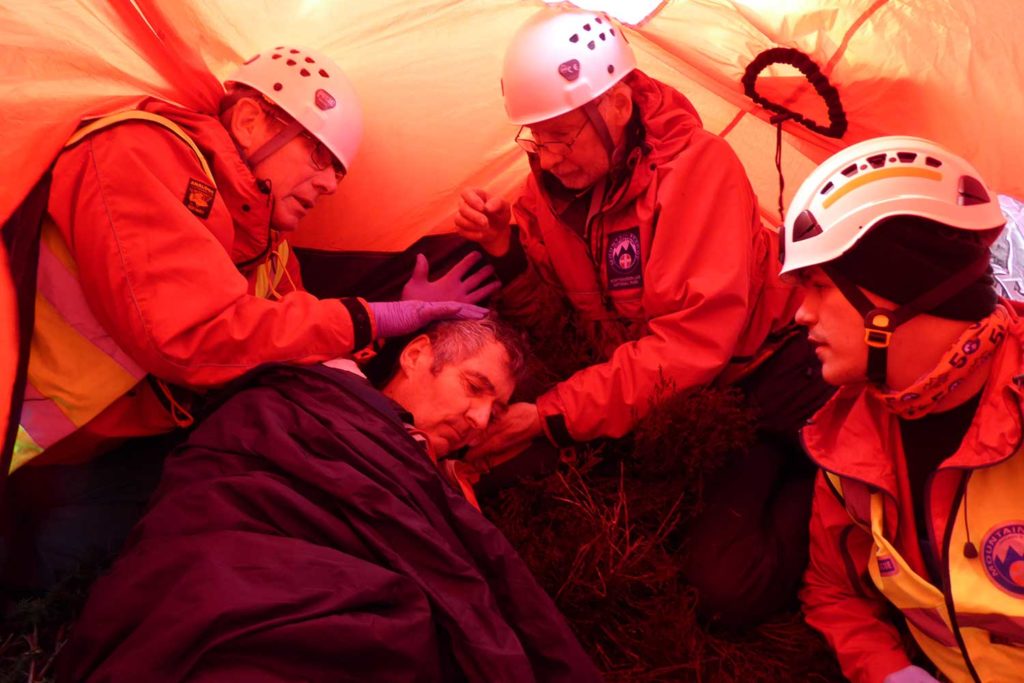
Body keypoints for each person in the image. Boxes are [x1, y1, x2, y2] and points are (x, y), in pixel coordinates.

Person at [1, 46, 491, 591]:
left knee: (71, 564)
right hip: (17, 411)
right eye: (320, 156)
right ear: (252, 122)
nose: (330, 185)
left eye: (339, 173)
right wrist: (371, 315)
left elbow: (302, 339)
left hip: (81, 450)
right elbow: (187, 336)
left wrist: (388, 344)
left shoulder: (270, 250)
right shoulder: (138, 152)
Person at [454, 6, 832, 626]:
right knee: (723, 587)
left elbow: (686, 346)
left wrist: (552, 415)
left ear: (616, 108)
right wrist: (507, 253)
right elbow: (568, 324)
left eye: (561, 136)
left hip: (788, 362)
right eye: (536, 139)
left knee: (883, 487)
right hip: (712, 403)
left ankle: (837, 489)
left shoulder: (699, 171)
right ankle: (809, 488)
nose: (548, 158)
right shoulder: (545, 200)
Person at [56, 319, 600, 682]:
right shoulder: (308, 401)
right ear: (416, 355)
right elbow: (220, 485)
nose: (480, 421)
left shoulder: (447, 491)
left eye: (497, 412)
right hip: (229, 568)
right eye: (474, 387)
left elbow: (473, 587)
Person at [781, 136, 1023, 682]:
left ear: (897, 295)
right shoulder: (848, 440)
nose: (801, 313)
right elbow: (833, 590)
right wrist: (890, 673)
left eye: (820, 286)